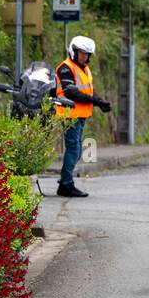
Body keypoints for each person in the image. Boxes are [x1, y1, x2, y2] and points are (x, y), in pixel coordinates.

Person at [54, 35, 111, 198]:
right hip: (70, 114)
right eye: (82, 53)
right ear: (74, 51)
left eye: (87, 54)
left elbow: (88, 91)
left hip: (80, 115)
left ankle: (65, 182)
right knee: (74, 149)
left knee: (77, 150)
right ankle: (66, 184)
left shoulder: (84, 68)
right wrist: (95, 101)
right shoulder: (65, 68)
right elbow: (71, 92)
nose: (85, 56)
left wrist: (100, 101)